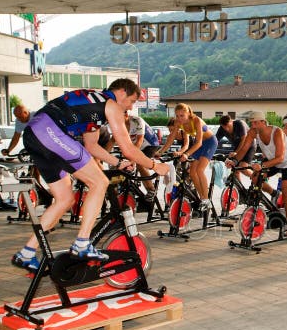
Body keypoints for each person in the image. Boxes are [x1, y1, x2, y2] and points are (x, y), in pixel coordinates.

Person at [11, 79, 169, 271]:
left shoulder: (93, 106)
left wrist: (118, 163)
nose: (131, 107)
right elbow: (127, 147)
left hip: (34, 135)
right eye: (132, 101)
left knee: (64, 199)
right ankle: (82, 244)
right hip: (50, 132)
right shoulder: (111, 105)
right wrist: (154, 165)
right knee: (99, 182)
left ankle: (26, 253)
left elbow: (91, 146)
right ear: (121, 93)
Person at [227, 111, 287, 226]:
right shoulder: (252, 132)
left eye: (255, 123)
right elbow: (244, 149)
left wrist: (262, 166)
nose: (253, 126)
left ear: (263, 122)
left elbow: (280, 157)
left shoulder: (276, 132)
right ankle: (274, 194)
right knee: (255, 178)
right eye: (251, 123)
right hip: (272, 160)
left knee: (286, 190)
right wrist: (234, 161)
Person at [157, 103, 217, 209]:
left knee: (199, 170)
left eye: (182, 115)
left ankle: (207, 200)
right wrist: (160, 151)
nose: (180, 118)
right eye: (177, 116)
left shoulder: (196, 120)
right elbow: (171, 138)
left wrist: (187, 154)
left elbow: (198, 143)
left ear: (188, 113)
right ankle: (202, 198)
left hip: (209, 142)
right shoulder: (178, 122)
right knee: (192, 173)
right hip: (200, 144)